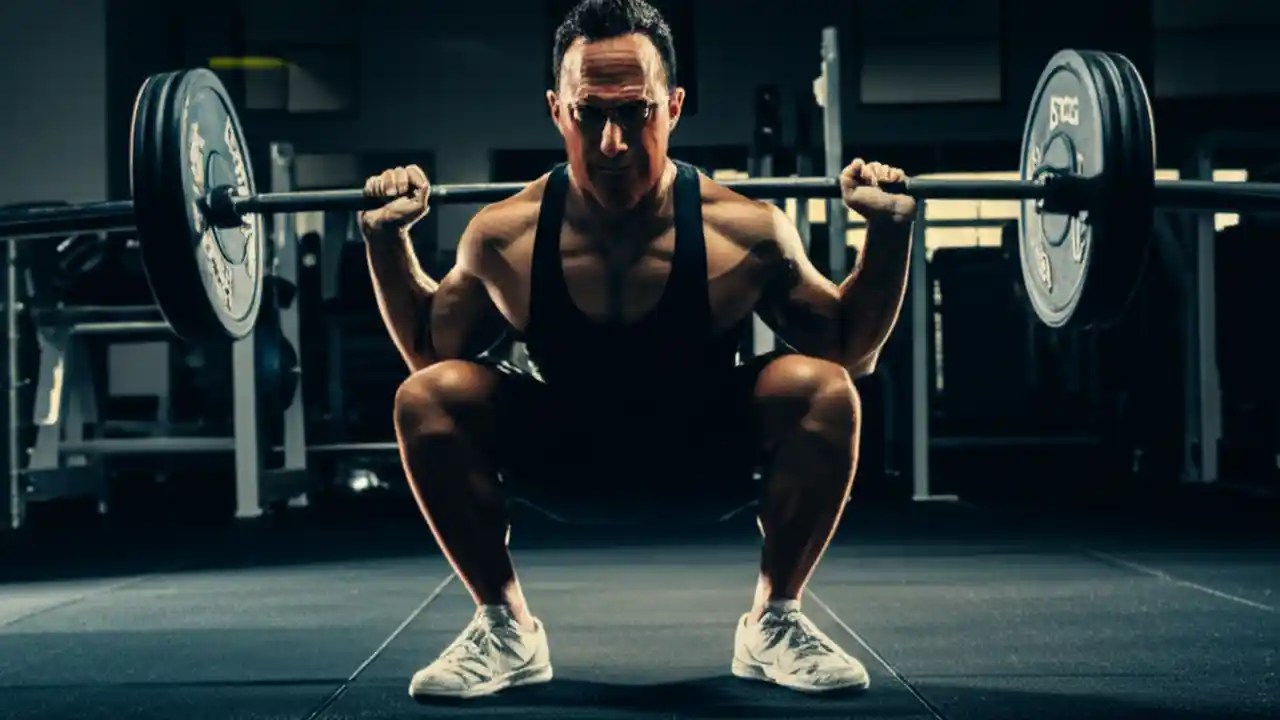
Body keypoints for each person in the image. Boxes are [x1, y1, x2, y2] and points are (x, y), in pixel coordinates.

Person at [359, 0, 914, 701]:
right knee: (426, 398)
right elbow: (426, 355)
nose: (613, 142)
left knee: (824, 390)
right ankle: (504, 629)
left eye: (637, 112)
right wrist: (386, 241)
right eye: (590, 114)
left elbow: (850, 349)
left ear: (674, 106)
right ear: (557, 111)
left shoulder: (746, 230)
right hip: (565, 461)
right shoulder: (504, 236)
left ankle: (774, 622)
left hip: (702, 458)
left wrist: (889, 236)